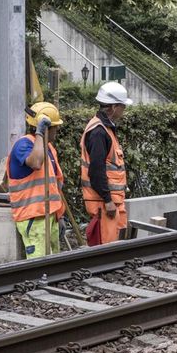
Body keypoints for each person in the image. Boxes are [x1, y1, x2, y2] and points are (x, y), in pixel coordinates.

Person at [7, 101, 66, 258]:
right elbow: (35, 163)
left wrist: (59, 215)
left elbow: (56, 186)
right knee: (39, 266)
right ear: (46, 128)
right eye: (55, 127)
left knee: (54, 262)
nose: (57, 131)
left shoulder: (49, 148)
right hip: (33, 217)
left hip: (50, 215)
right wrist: (40, 133)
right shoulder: (23, 145)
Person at [80, 81, 131, 245]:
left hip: (110, 202)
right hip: (103, 203)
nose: (124, 110)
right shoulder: (98, 132)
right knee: (105, 247)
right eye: (123, 106)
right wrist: (107, 200)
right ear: (113, 107)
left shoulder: (105, 129)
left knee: (113, 245)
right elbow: (96, 171)